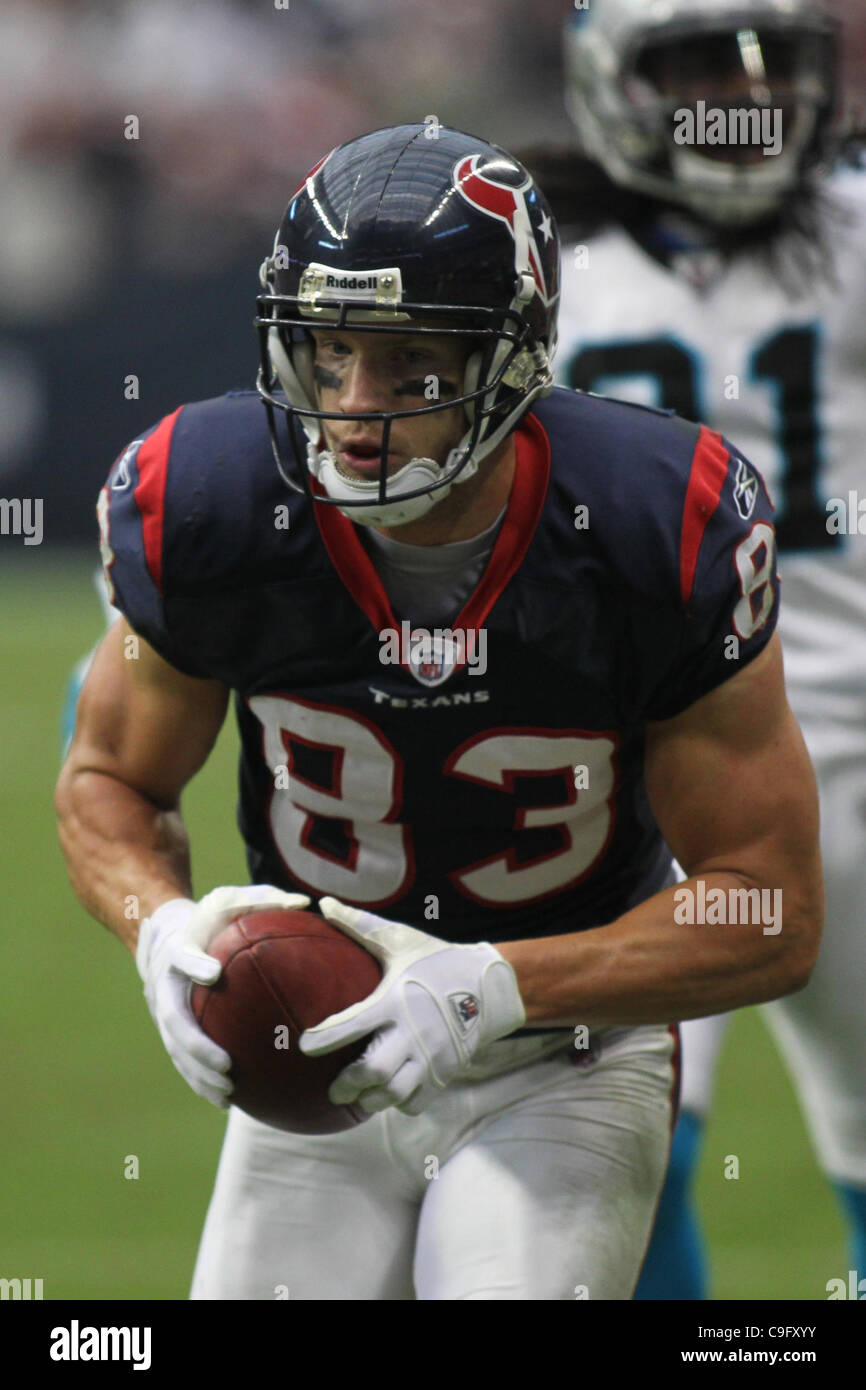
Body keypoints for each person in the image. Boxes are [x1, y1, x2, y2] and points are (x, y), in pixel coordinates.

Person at [55, 122, 822, 1301]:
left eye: (413, 365)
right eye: (326, 354)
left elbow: (767, 907)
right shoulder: (207, 501)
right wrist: (157, 925)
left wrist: (499, 984)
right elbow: (110, 780)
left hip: (558, 1059)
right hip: (315, 1061)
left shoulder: (648, 527)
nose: (355, 411)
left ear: (512, 360)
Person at [531, 0, 865, 1298]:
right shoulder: (538, 249)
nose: (739, 95)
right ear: (613, 79)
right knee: (615, 1149)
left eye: (765, 62)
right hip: (630, 752)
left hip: (847, 725)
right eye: (693, 64)